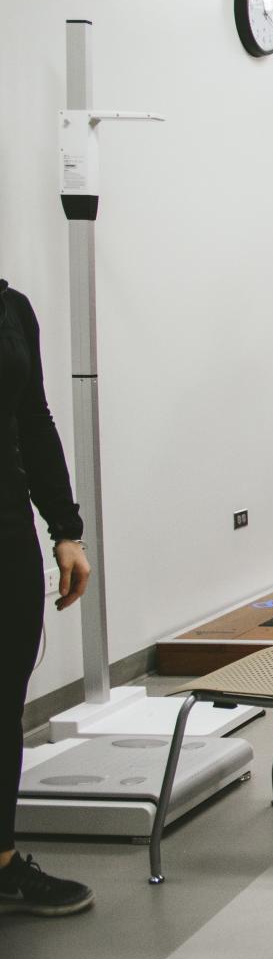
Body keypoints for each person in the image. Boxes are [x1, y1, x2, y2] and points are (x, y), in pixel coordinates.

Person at [0, 281, 94, 918]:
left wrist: (65, 529)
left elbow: (33, 420)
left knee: (4, 702)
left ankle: (2, 864)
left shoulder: (12, 310)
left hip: (6, 530)